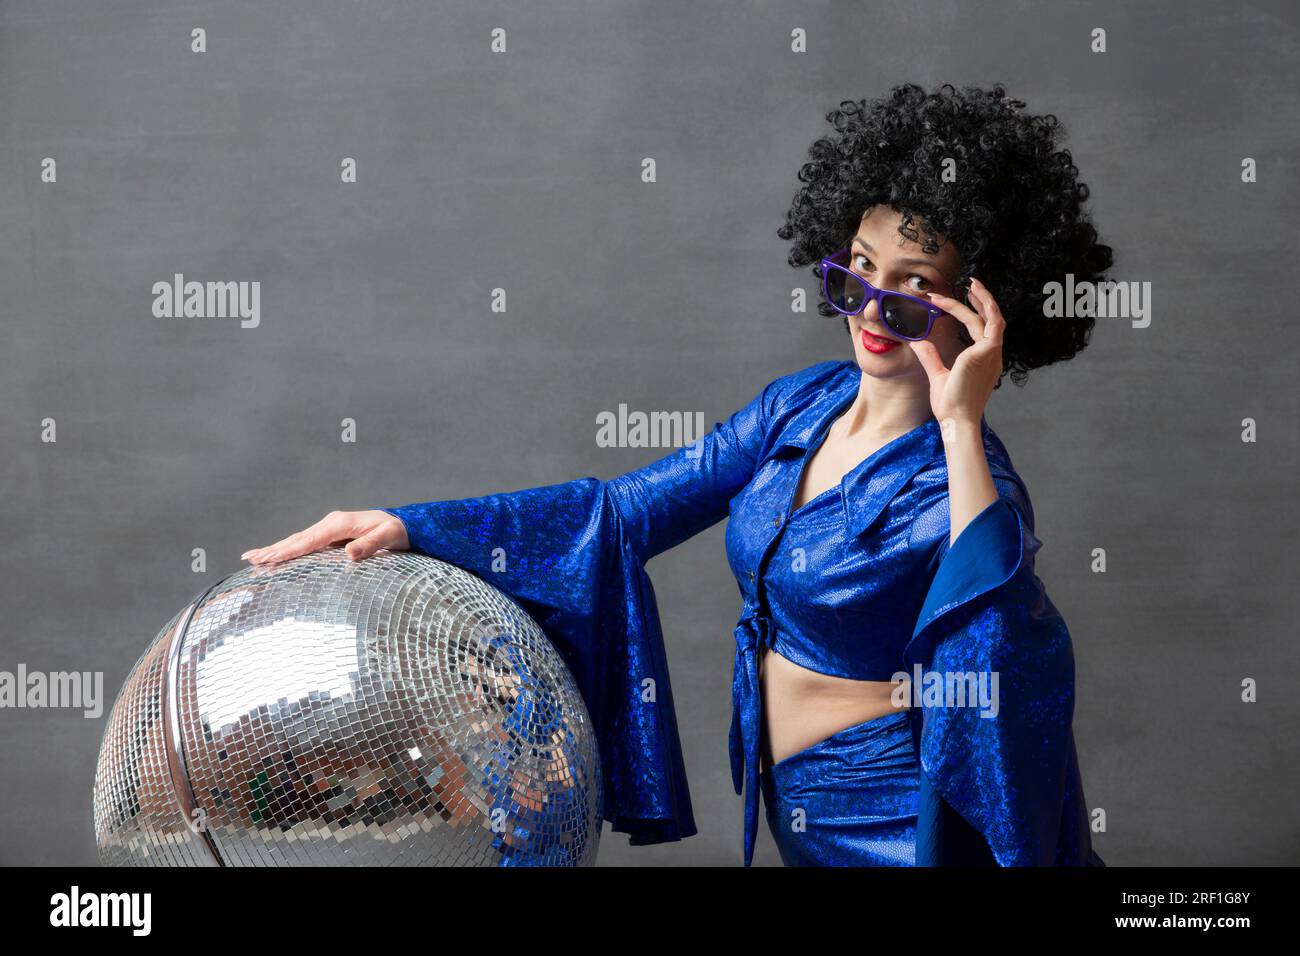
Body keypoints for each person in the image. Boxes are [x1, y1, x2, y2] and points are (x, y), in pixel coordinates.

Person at [243, 83, 1109, 867]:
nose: (872, 310)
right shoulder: (798, 409)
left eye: (913, 288)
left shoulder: (966, 480)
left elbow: (995, 655)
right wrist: (412, 527)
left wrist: (961, 421)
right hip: (792, 805)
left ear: (983, 307)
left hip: (901, 818)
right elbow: (622, 515)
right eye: (857, 270)